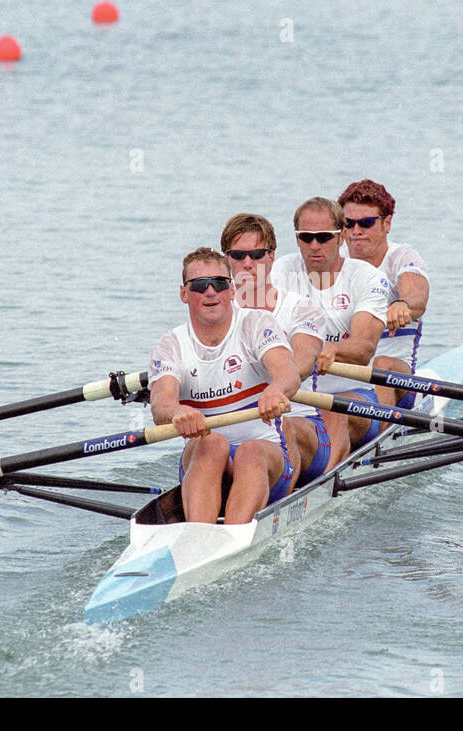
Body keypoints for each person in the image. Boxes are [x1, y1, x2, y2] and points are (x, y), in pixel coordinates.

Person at [148, 248, 300, 525]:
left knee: (250, 450)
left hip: (266, 461)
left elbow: (287, 370)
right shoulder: (170, 345)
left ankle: (233, 538)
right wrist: (177, 411)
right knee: (211, 442)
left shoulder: (255, 324)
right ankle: (198, 536)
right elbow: (161, 404)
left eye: (219, 283)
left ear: (231, 291)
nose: (210, 292)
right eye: (198, 285)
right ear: (183, 293)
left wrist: (276, 390)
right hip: (205, 461)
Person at [270, 197, 390, 461]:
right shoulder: (282, 271)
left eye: (324, 237)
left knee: (332, 413)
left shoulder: (366, 277)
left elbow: (364, 349)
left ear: (342, 236)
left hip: (352, 396)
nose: (314, 245)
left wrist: (331, 348)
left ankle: (320, 487)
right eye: (306, 237)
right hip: (295, 396)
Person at [220, 213, 333, 489]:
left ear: (271, 257)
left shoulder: (301, 308)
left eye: (257, 254)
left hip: (298, 421)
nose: (248, 263)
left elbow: (304, 361)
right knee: (207, 444)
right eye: (238, 255)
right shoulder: (214, 314)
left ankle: (278, 502)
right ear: (226, 260)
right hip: (240, 429)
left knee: (286, 427)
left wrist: (278, 388)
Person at [337, 178, 430, 410]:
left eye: (366, 223)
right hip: (347, 377)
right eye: (348, 223)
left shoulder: (401, 257)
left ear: (386, 223)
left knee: (380, 364)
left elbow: (417, 296)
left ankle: (380, 438)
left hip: (398, 380)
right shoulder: (333, 265)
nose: (356, 231)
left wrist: (403, 305)